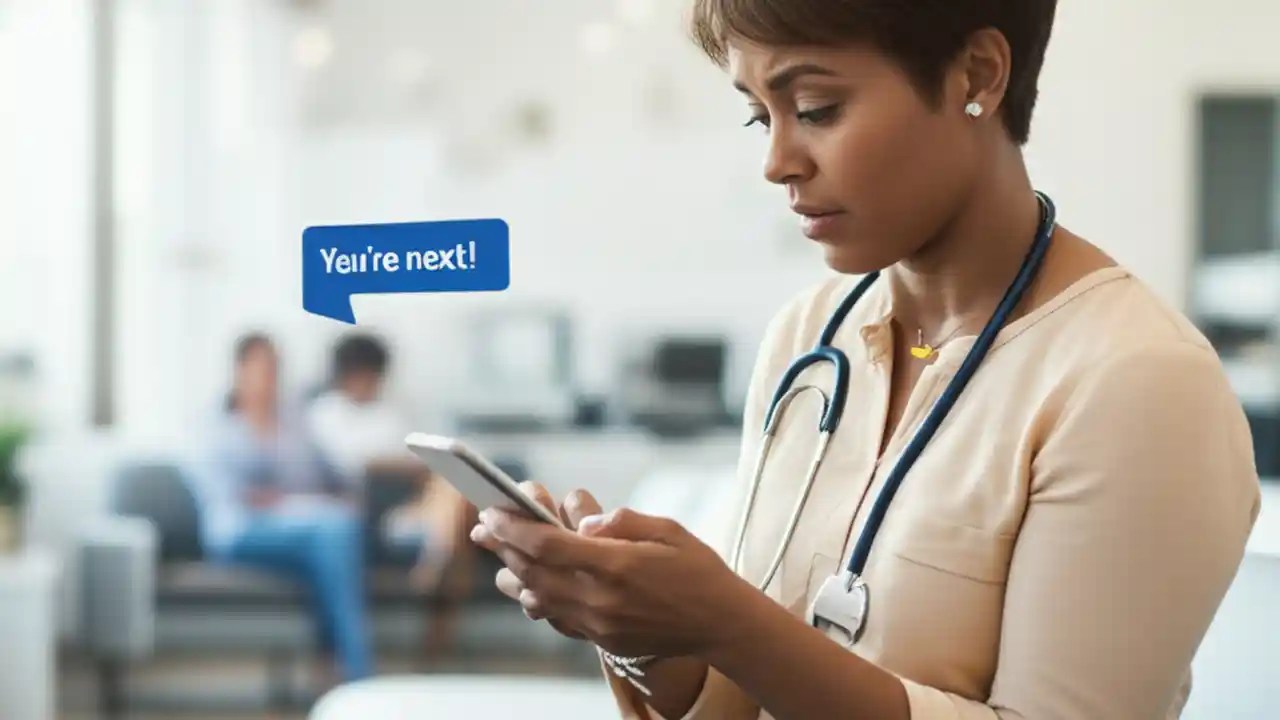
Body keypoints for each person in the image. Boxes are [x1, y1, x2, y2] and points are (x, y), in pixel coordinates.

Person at [468, 2, 1263, 719]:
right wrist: (636, 624)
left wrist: (728, 622)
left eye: (816, 108)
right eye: (759, 117)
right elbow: (727, 710)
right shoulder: (808, 339)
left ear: (977, 76)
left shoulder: (1137, 381)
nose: (778, 161)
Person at [188, 332, 374, 686]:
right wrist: (277, 500)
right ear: (240, 370)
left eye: (275, 369)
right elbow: (220, 494)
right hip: (241, 532)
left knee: (334, 542)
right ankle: (356, 674)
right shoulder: (215, 425)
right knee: (334, 535)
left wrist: (344, 494)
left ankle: (335, 671)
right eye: (262, 368)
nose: (270, 377)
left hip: (303, 531)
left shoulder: (294, 420)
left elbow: (331, 473)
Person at [306, 332, 471, 590]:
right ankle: (439, 556)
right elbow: (352, 465)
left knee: (454, 494)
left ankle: (438, 556)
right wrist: (407, 466)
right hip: (375, 511)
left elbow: (420, 457)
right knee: (455, 509)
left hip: (418, 499)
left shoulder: (393, 411)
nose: (370, 383)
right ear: (345, 375)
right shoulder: (326, 412)